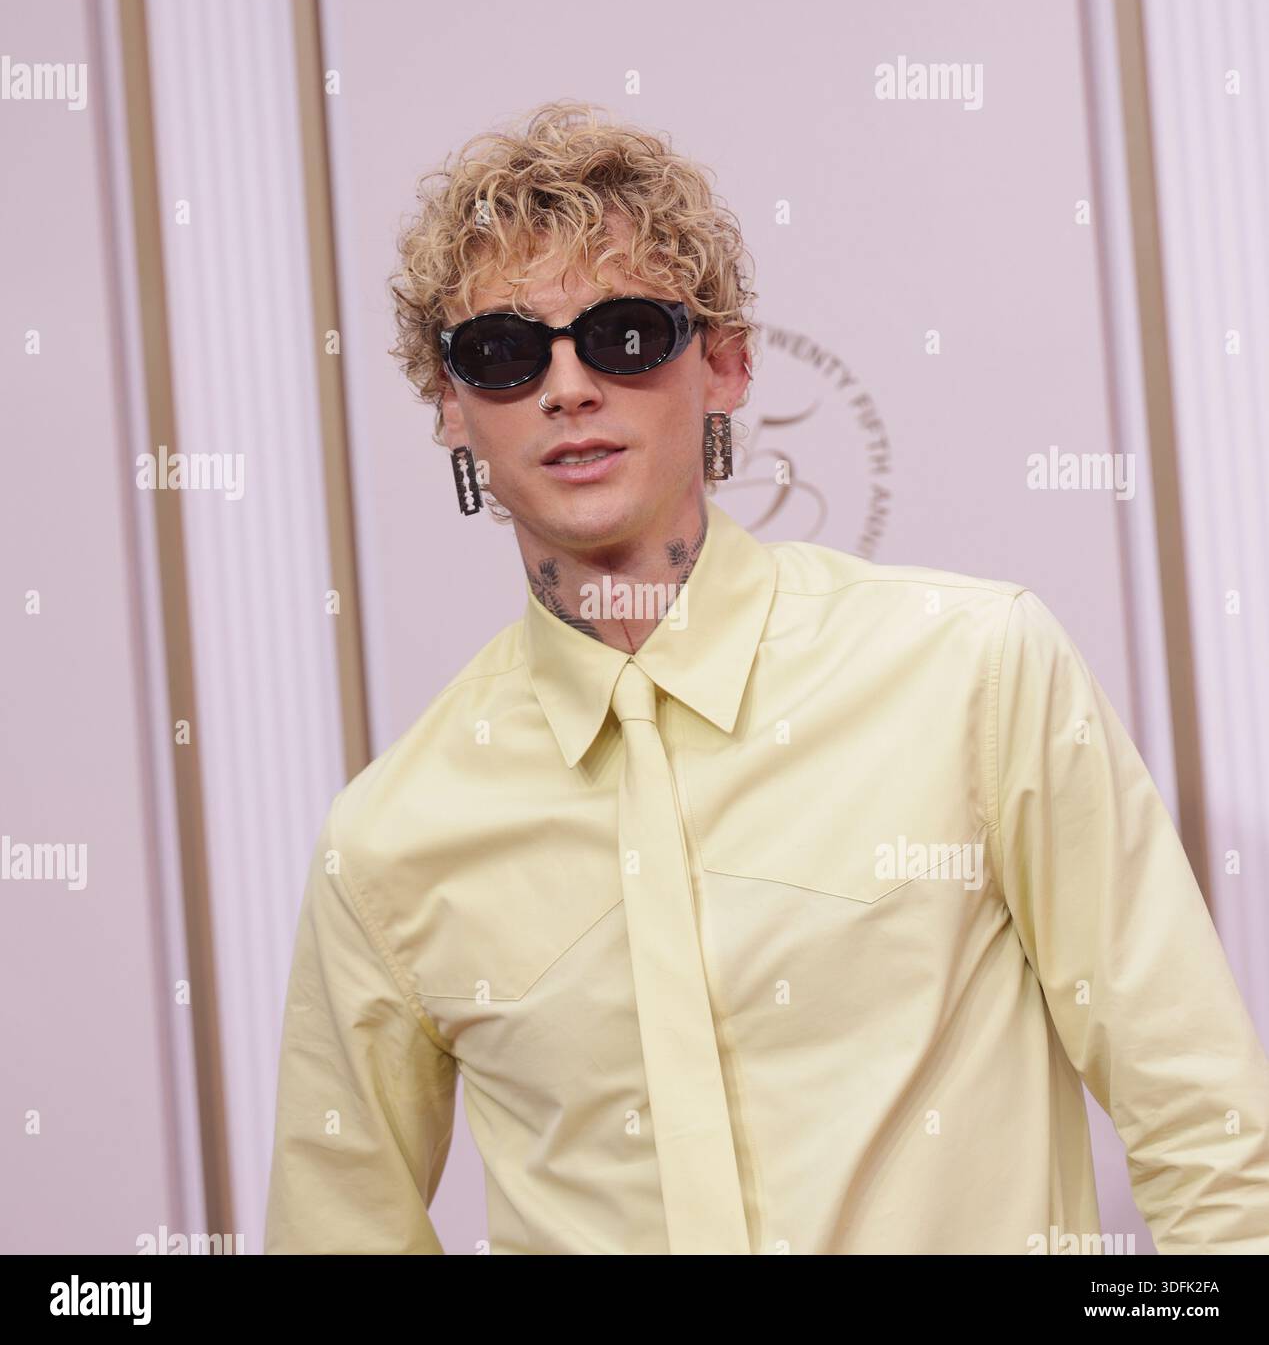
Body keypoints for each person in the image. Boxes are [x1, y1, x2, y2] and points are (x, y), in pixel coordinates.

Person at [262, 101, 1269, 1255]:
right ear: (451, 409)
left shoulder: (971, 672)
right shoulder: (392, 837)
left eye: (625, 334)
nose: (568, 387)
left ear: (727, 365)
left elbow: (1206, 1124)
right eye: (501, 352)